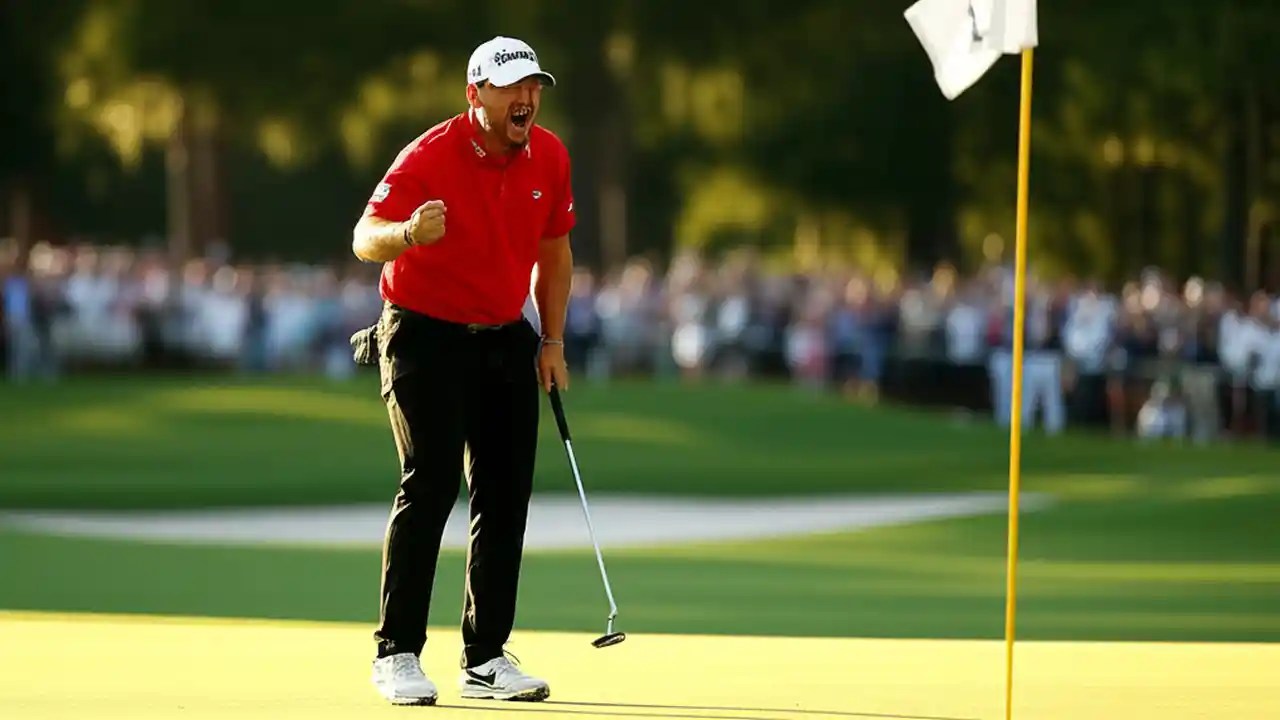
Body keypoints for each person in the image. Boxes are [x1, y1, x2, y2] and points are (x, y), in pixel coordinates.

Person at [350, 35, 574, 706]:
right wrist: (409, 234)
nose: (527, 99)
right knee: (432, 484)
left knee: (505, 497)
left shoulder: (551, 155)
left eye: (533, 87)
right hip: (423, 333)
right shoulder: (429, 154)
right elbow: (365, 237)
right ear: (476, 94)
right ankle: (396, 654)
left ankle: (485, 657)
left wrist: (553, 340)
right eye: (513, 88)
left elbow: (555, 253)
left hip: (506, 335)